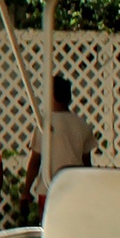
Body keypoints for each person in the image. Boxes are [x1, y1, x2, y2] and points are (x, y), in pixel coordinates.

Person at [23, 75, 95, 205]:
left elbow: (35, 161)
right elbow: (87, 163)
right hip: (75, 187)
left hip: (48, 187)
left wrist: (25, 191)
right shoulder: (82, 124)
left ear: (52, 96)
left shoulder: (44, 125)